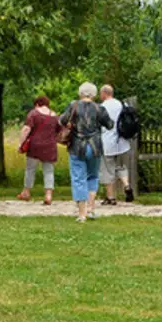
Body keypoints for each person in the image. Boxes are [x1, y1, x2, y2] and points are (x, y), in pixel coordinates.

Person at [60, 82, 113, 223]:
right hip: (95, 147)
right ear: (94, 94)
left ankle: (82, 214)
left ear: (80, 93)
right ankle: (91, 208)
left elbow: (62, 120)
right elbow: (110, 124)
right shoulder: (99, 108)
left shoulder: (73, 106)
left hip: (77, 147)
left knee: (78, 178)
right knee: (93, 177)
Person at [16, 95, 62, 204]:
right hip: (50, 146)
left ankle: (26, 192)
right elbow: (59, 132)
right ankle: (48, 195)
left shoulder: (34, 113)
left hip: (35, 146)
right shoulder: (55, 116)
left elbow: (26, 129)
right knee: (49, 171)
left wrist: (20, 143)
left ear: (37, 104)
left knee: (30, 169)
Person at [99, 84, 134, 204]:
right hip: (122, 143)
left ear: (104, 93)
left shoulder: (102, 107)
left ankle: (111, 197)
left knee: (108, 170)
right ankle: (127, 185)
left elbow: (100, 125)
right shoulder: (121, 104)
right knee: (121, 166)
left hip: (107, 142)